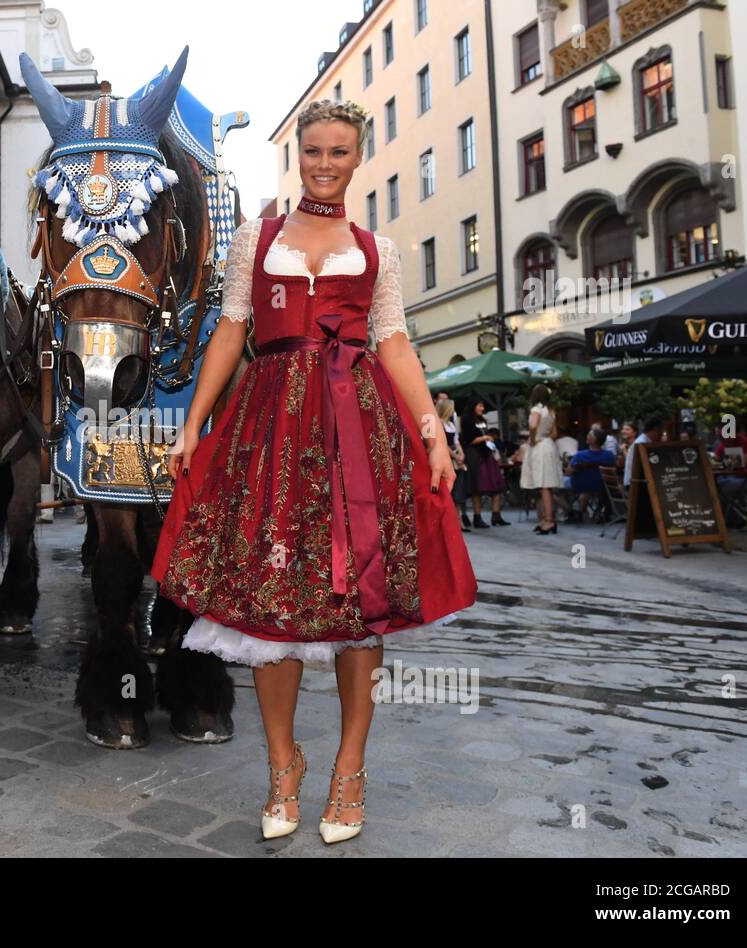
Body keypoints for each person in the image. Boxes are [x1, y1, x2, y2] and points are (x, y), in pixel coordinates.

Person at [150, 99, 476, 845]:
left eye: (339, 152)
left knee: (365, 600)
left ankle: (350, 769)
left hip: (362, 429)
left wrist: (431, 433)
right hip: (270, 426)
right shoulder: (255, 239)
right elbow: (233, 329)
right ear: (297, 155)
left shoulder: (378, 249)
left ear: (357, 157)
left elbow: (393, 344)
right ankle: (283, 764)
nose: (325, 164)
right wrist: (194, 422)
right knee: (273, 600)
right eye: (314, 152)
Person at [519, 384, 563, 534]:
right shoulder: (550, 411)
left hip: (539, 446)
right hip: (549, 445)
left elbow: (532, 425)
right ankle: (547, 518)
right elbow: (555, 433)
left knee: (543, 485)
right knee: (547, 485)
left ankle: (548, 520)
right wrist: (544, 436)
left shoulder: (536, 409)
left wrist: (532, 439)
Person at [461, 399, 509, 528]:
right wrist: (485, 438)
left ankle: (496, 514)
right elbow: (467, 440)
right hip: (475, 455)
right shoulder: (467, 421)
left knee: (496, 483)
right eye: (480, 405)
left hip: (487, 454)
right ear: (473, 406)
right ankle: (477, 517)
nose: (482, 408)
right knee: (477, 486)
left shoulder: (483, 420)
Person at [565, 428, 616, 522]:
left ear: (593, 439)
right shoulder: (609, 455)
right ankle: (582, 510)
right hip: (601, 486)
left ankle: (570, 511)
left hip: (580, 485)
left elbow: (569, 472)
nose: (587, 436)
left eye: (589, 434)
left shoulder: (580, 455)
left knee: (555, 489)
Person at [437, 398, 469, 533]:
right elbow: (443, 444)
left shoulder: (451, 425)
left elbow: (456, 441)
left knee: (458, 491)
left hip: (455, 457)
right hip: (447, 457)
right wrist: (456, 456)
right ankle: (453, 520)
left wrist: (461, 455)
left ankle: (458, 519)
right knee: (450, 490)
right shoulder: (439, 424)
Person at [624, 418, 664, 488]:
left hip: (637, 481)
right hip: (635, 485)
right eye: (661, 430)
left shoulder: (645, 441)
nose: (662, 433)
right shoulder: (642, 443)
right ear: (656, 429)